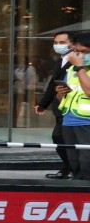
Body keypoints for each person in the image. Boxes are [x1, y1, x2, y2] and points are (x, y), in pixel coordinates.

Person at [36, 31, 73, 179]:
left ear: (72, 43)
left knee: (64, 139)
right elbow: (53, 84)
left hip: (74, 109)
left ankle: (72, 169)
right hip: (62, 106)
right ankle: (68, 167)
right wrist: (43, 104)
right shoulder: (61, 61)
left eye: (62, 43)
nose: (58, 46)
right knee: (59, 139)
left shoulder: (78, 62)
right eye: (56, 43)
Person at [57, 33, 90, 180]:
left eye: (85, 52)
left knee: (86, 160)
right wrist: (60, 92)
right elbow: (61, 98)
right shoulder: (71, 70)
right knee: (74, 160)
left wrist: (79, 67)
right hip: (69, 120)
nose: (80, 55)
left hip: (86, 122)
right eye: (77, 52)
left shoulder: (77, 68)